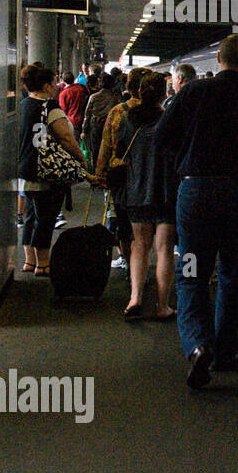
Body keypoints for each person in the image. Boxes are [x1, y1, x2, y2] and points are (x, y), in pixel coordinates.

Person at [154, 34, 238, 389]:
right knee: (233, 271)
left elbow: (161, 137)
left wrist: (187, 159)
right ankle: (225, 350)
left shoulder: (193, 92)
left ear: (220, 60)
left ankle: (197, 346)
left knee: (192, 271)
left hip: (196, 194)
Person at [17, 64, 92, 277]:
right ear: (47, 85)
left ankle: (29, 262)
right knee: (46, 218)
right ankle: (43, 263)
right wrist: (81, 160)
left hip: (25, 169)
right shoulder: (49, 108)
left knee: (31, 216)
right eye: (53, 82)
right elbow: (66, 138)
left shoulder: (23, 105)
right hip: (46, 172)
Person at [114, 73, 178, 322]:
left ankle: (135, 299)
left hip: (137, 189)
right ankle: (163, 306)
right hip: (165, 191)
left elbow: (121, 151)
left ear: (139, 92)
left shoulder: (128, 118)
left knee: (139, 246)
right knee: (164, 249)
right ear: (164, 94)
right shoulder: (168, 119)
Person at [96, 67, 153, 271]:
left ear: (129, 86)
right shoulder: (158, 112)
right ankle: (142, 267)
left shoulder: (117, 112)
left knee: (122, 225)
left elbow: (105, 146)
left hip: (120, 176)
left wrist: (100, 175)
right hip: (148, 176)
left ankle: (130, 265)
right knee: (145, 227)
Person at [81, 72, 120, 164]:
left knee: (96, 151)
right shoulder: (116, 97)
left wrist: (84, 131)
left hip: (95, 127)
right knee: (109, 151)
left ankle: (96, 172)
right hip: (110, 127)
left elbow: (87, 115)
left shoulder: (94, 97)